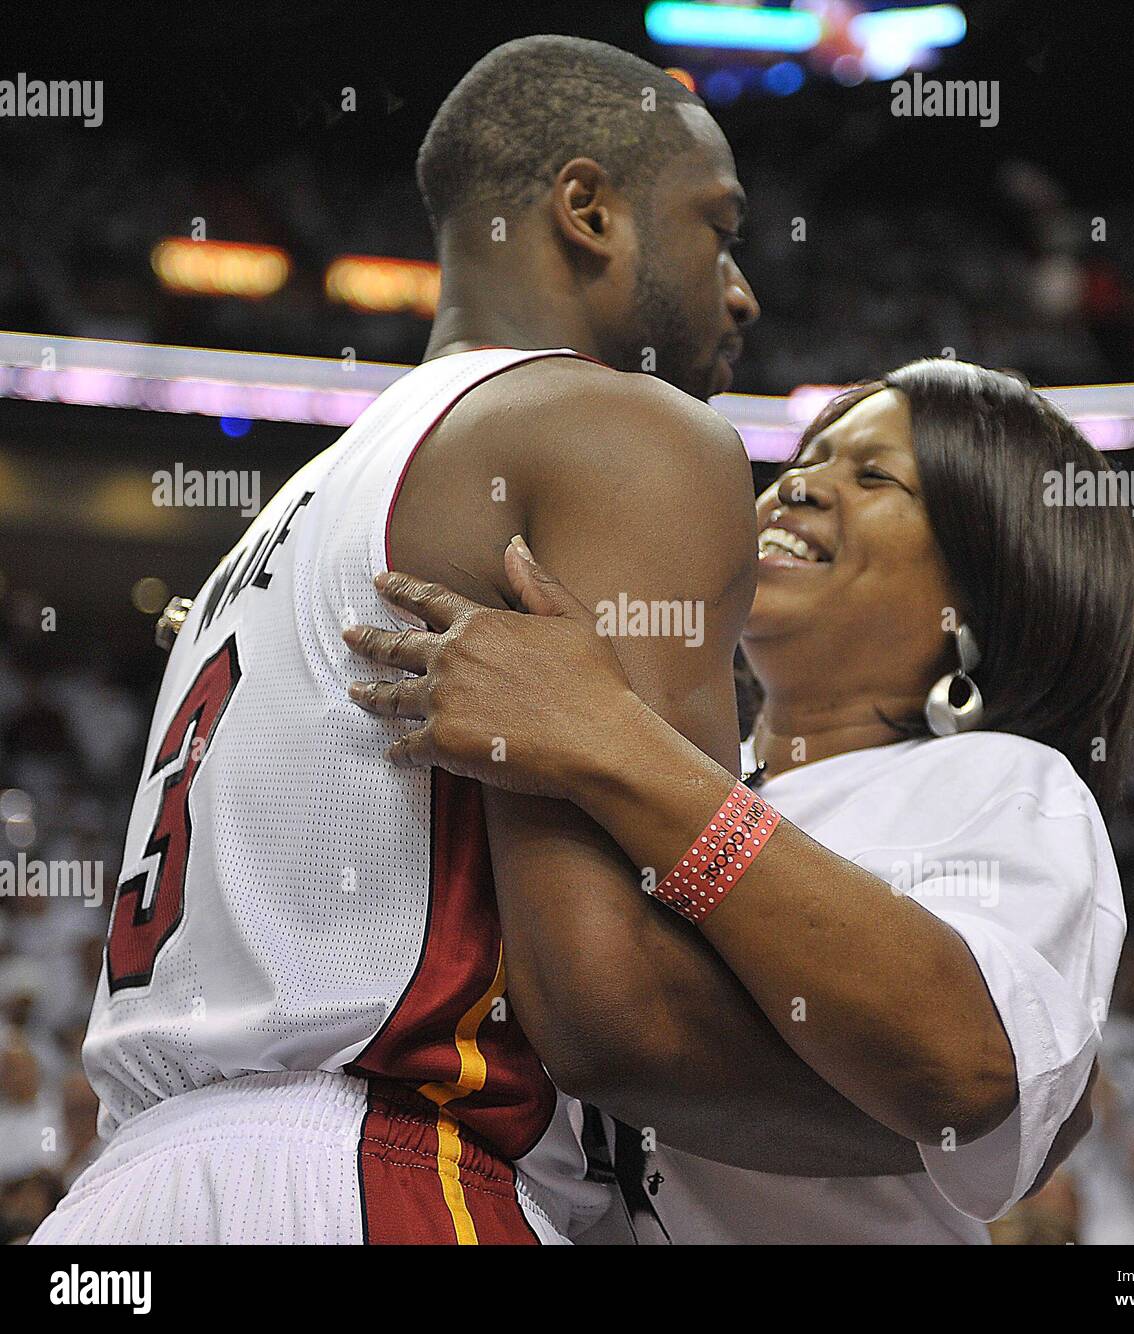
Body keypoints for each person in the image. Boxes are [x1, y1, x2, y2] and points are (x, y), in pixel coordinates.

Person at [33, 34, 919, 1246]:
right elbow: (623, 1011)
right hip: (378, 1173)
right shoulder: (624, 428)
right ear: (589, 210)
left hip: (119, 1201)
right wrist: (936, 1131)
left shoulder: (291, 508)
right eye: (720, 228)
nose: (744, 289)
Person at [343, 359, 1134, 1242]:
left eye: (873, 476)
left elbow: (969, 1067)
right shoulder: (697, 759)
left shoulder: (1009, 780)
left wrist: (611, 740)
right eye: (807, 456)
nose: (801, 482)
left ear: (984, 586)